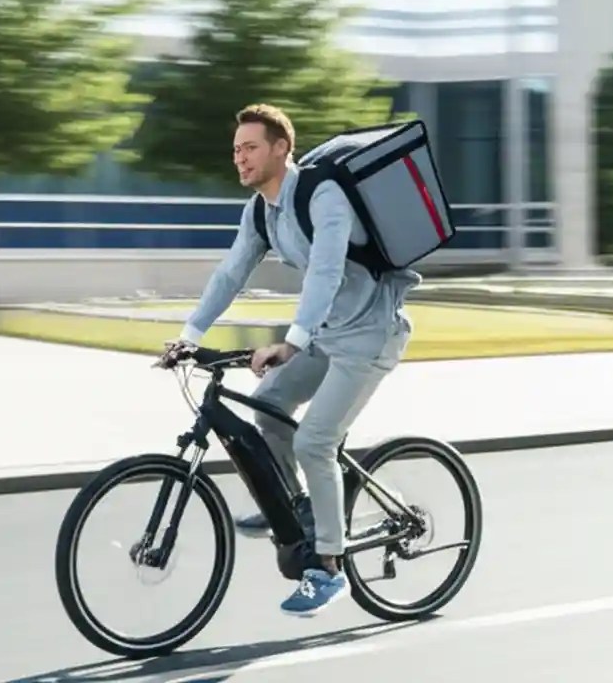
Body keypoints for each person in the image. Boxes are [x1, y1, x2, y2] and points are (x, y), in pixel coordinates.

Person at [159, 103, 420, 617]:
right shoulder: (260, 209)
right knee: (267, 407)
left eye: (251, 147)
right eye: (236, 149)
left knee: (314, 440)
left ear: (282, 148)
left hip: (369, 336)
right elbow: (231, 272)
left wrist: (290, 342)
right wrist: (188, 334)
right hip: (328, 336)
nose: (240, 158)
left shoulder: (323, 195)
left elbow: (324, 272)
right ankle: (298, 507)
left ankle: (328, 567)